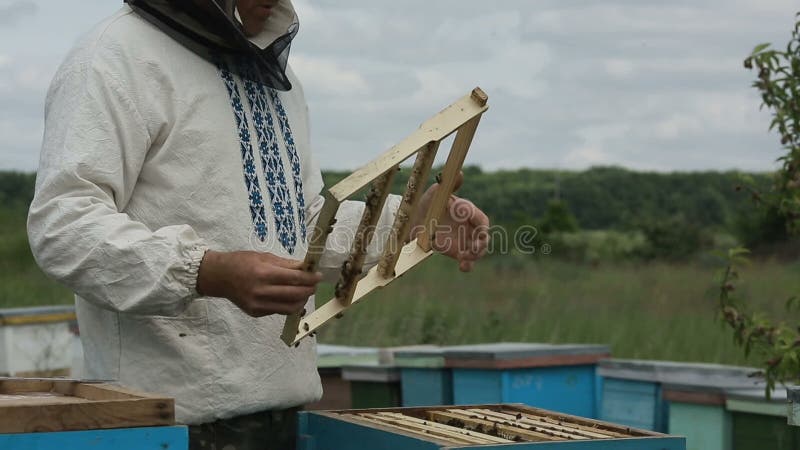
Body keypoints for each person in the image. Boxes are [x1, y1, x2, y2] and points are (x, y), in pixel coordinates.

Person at [26, 1, 490, 449]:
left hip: (282, 420)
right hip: (167, 429)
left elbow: (298, 224)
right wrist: (206, 272)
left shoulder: (277, 79)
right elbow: (63, 225)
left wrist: (408, 220)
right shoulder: (113, 56)